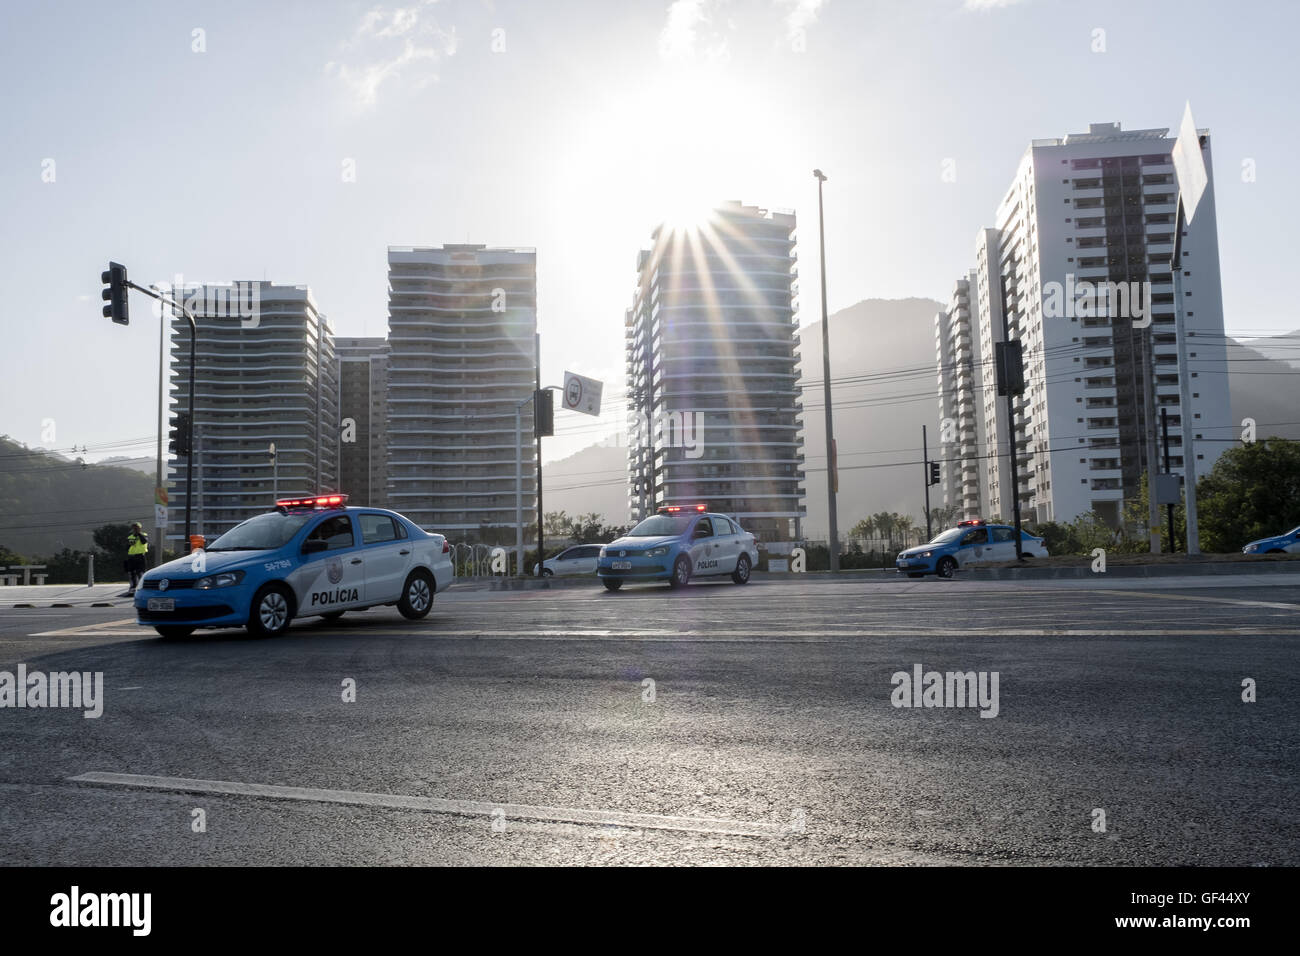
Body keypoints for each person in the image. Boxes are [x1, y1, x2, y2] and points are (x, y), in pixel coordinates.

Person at [125, 522, 149, 595]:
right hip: (131, 557)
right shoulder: (130, 537)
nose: (135, 529)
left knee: (140, 572)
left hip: (140, 556)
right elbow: (126, 548)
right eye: (134, 528)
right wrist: (129, 544)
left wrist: (138, 534)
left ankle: (142, 587)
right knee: (131, 573)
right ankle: (132, 587)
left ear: (140, 528)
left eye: (137, 527)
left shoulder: (144, 535)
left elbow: (144, 541)